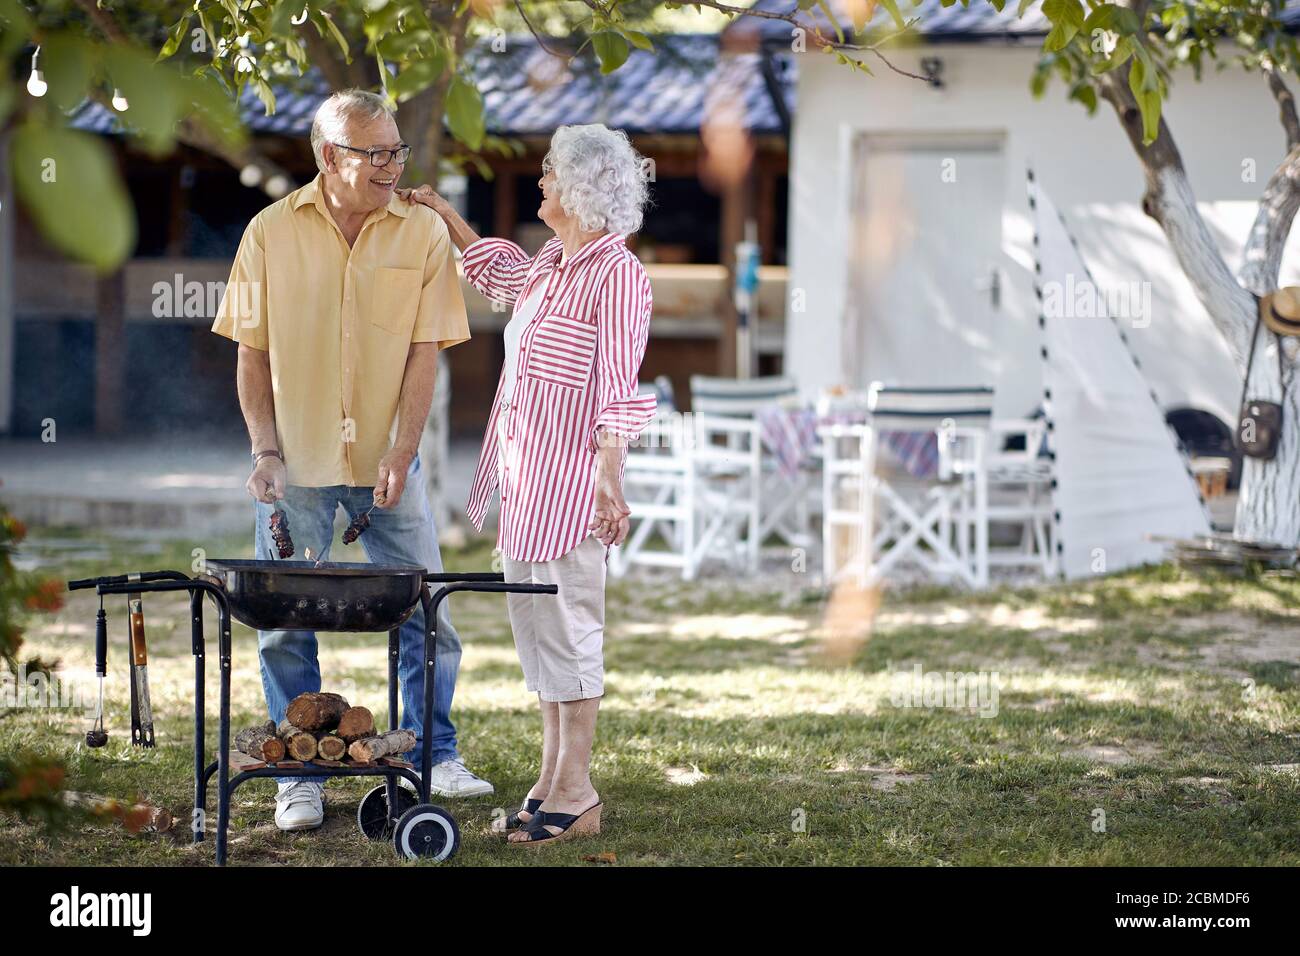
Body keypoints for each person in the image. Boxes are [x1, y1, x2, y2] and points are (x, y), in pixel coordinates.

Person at [211, 89, 491, 833]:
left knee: (427, 613)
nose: (393, 165)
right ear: (330, 156)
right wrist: (264, 452)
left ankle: (432, 751)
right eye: (377, 153)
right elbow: (251, 354)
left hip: (386, 466)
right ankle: (295, 775)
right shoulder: (269, 232)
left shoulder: (424, 235)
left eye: (398, 150)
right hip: (293, 462)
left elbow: (424, 353)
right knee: (281, 622)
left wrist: (402, 451)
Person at [400, 123, 655, 845]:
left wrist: (610, 478)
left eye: (548, 174)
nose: (540, 182)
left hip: (573, 485)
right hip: (525, 485)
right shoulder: (550, 263)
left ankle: (579, 790)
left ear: (579, 188)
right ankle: (550, 777)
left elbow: (616, 388)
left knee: (572, 632)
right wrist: (443, 214)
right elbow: (495, 269)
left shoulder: (618, 274)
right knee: (537, 636)